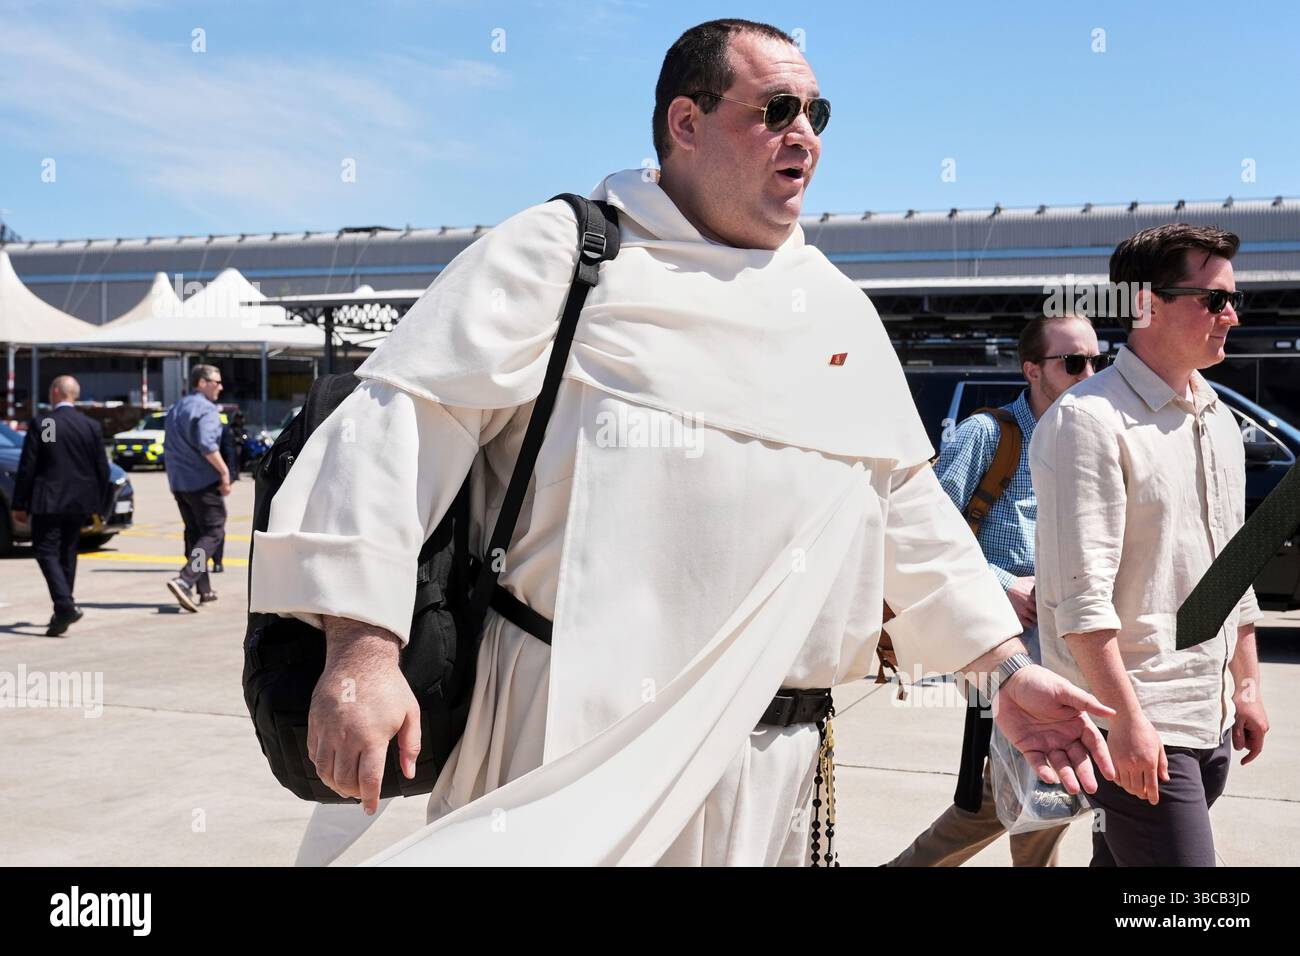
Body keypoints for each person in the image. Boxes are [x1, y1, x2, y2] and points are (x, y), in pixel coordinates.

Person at [252, 18, 1115, 866]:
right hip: (567, 738)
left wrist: (1003, 671)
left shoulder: (836, 306)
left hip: (772, 764)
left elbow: (904, 510)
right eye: (777, 110)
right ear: (686, 122)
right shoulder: (564, 255)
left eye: (819, 114)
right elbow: (396, 431)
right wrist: (360, 652)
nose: (805, 136)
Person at [1031, 224, 1269, 867]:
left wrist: (1245, 685)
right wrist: (1126, 723)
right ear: (1145, 304)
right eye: (1213, 299)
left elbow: (1233, 564)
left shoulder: (1216, 415)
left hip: (1211, 718)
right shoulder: (1088, 420)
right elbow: (1079, 599)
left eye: (1232, 297)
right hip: (1143, 724)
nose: (1232, 314)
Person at [887, 315, 1104, 867]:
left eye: (1097, 361)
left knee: (1032, 787)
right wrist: (1004, 584)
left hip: (1069, 637)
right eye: (1073, 362)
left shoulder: (1089, 438)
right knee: (1040, 782)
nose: (1090, 372)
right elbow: (925, 531)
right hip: (1000, 639)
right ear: (1033, 370)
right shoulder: (990, 435)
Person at [12, 375, 110, 637]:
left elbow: (32, 463)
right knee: (67, 552)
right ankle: (62, 608)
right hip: (79, 501)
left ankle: (65, 604)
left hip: (50, 500)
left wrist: (19, 502)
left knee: (45, 551)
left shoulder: (49, 424)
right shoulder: (89, 425)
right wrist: (99, 503)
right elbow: (102, 468)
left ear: (55, 392)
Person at [163, 364, 230, 611]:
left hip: (179, 483)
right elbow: (207, 444)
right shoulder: (206, 409)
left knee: (195, 534)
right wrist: (224, 472)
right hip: (202, 483)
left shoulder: (176, 407)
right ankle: (185, 579)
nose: (220, 387)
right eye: (216, 382)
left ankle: (204, 589)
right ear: (202, 383)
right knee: (214, 532)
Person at [210, 411, 242, 575]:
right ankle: (195, 572)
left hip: (203, 484)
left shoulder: (221, 430)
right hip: (204, 484)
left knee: (203, 530)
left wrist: (228, 478)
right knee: (211, 530)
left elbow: (230, 455)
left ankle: (200, 570)